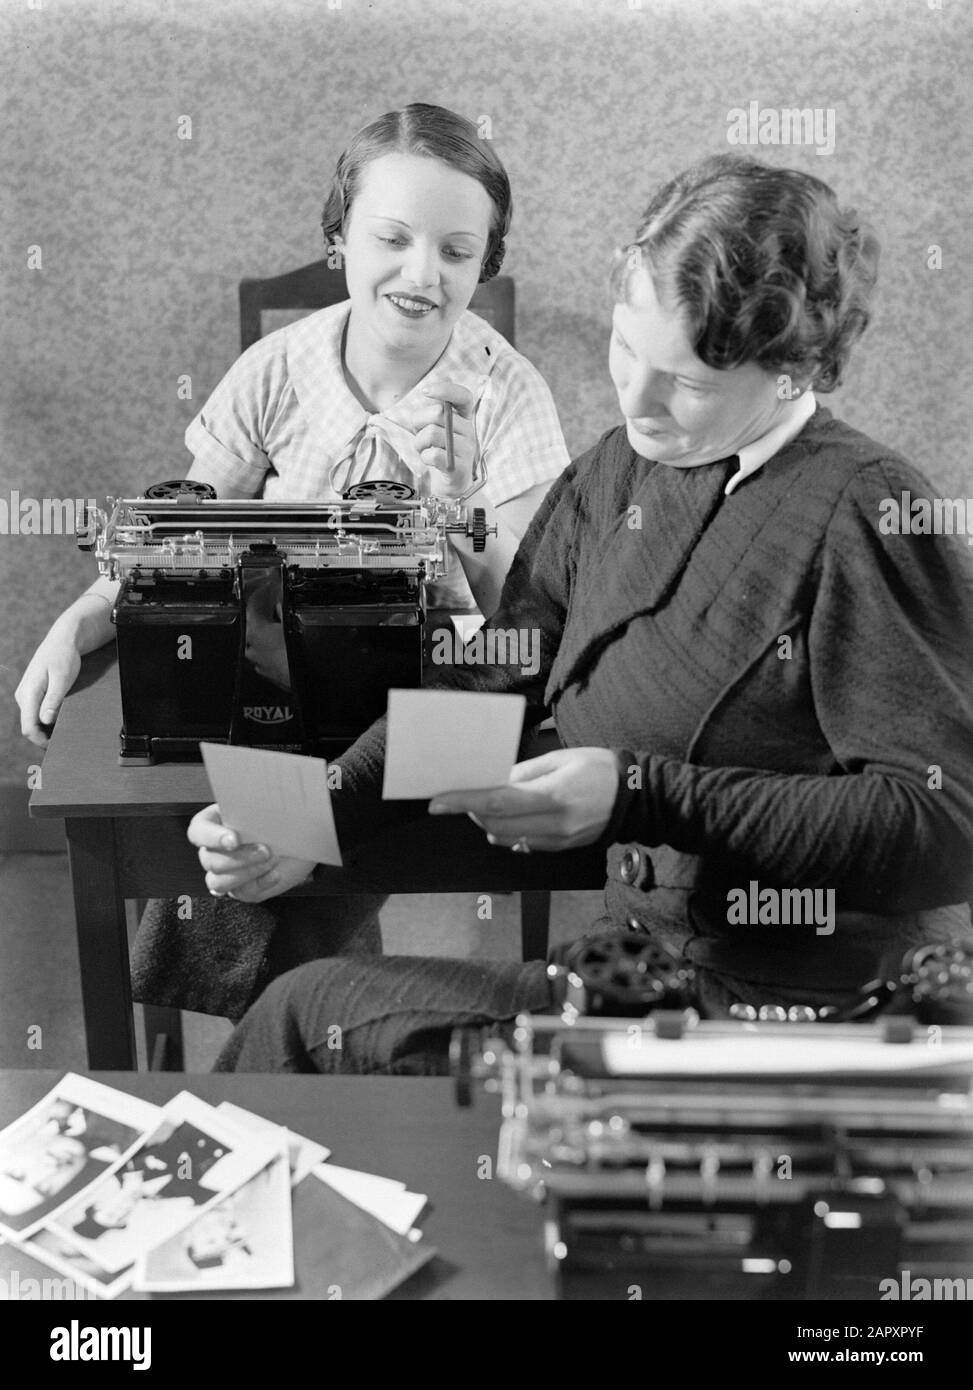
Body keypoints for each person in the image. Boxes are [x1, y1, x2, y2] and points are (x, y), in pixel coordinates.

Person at [186, 153, 973, 1073]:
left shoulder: (863, 510)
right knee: (303, 1012)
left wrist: (642, 793)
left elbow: (939, 826)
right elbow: (491, 685)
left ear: (794, 369)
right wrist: (307, 822)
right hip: (642, 984)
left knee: (312, 1025)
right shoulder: (617, 472)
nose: (634, 400)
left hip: (812, 1024)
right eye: (625, 349)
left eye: (686, 382)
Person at [13, 104, 570, 1018]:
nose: (421, 274)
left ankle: (285, 993)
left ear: (484, 264)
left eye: (457, 252)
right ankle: (306, 987)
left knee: (253, 832)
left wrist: (464, 506)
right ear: (338, 239)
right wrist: (80, 619)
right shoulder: (280, 367)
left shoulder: (505, 391)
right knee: (243, 763)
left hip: (443, 689)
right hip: (287, 656)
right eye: (391, 237)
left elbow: (523, 622)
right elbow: (188, 545)